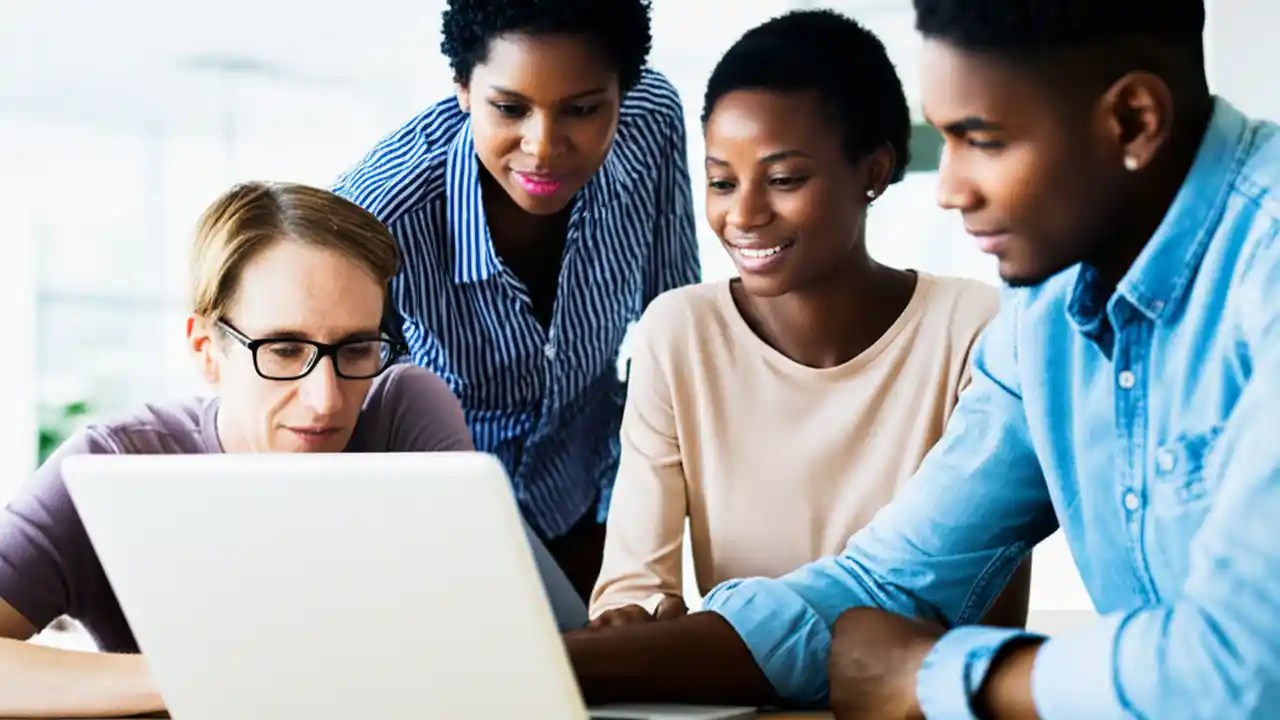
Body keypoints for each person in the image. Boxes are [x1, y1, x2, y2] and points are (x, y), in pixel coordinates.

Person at [565, 0, 1280, 717]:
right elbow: (887, 585)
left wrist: (951, 674)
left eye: (984, 141)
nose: (948, 190)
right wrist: (558, 662)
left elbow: (1242, 666)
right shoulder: (1044, 310)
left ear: (1132, 121)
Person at [587, 9, 1028, 632]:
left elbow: (984, 612)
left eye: (784, 179)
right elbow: (632, 588)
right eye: (720, 181)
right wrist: (631, 621)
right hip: (735, 691)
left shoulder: (972, 332)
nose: (743, 215)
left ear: (873, 172)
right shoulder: (680, 334)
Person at [0, 182, 474, 717]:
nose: (326, 400)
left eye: (357, 349)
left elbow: (477, 647)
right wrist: (200, 676)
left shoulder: (400, 417)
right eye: (285, 349)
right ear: (206, 351)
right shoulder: (112, 463)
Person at [334, 0, 700, 601]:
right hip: (435, 529)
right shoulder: (378, 211)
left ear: (624, 94)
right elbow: (346, 410)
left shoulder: (652, 119)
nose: (544, 146)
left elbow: (675, 324)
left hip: (589, 502)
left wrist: (637, 532)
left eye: (582, 110)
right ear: (462, 88)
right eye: (509, 108)